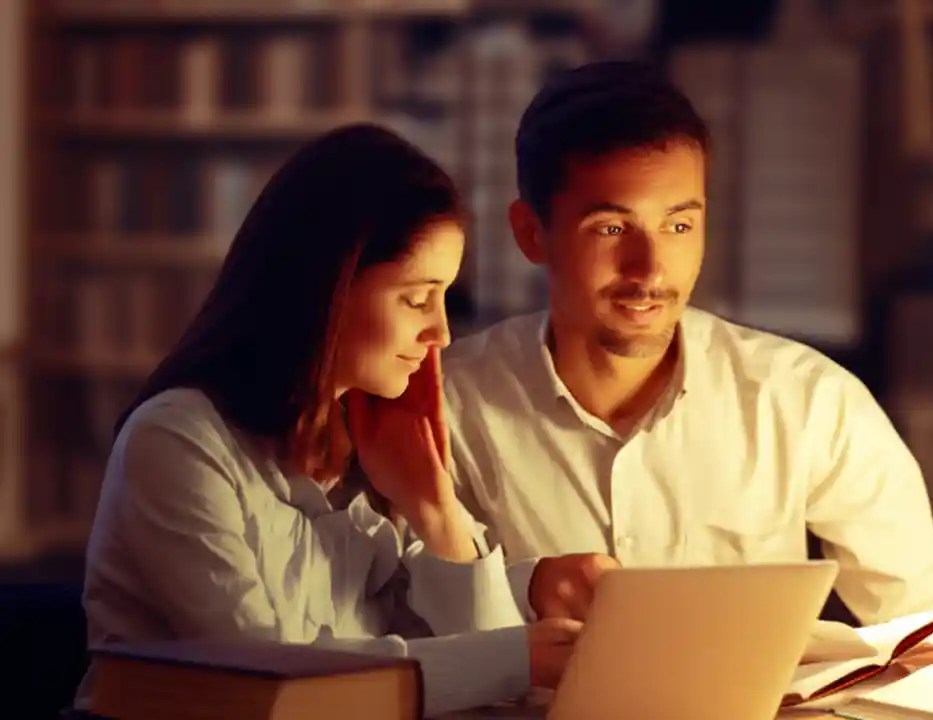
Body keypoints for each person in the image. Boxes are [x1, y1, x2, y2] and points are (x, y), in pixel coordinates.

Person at [443, 61, 933, 658]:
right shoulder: (451, 406)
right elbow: (388, 632)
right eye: (612, 229)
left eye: (678, 224)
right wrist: (522, 589)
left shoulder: (804, 401)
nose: (650, 270)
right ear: (531, 233)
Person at [77, 124, 605, 717]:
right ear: (330, 288)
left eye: (444, 297)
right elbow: (271, 689)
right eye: (416, 299)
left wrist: (435, 507)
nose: (441, 333)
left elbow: (495, 687)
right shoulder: (176, 443)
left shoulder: (374, 455)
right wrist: (511, 658)